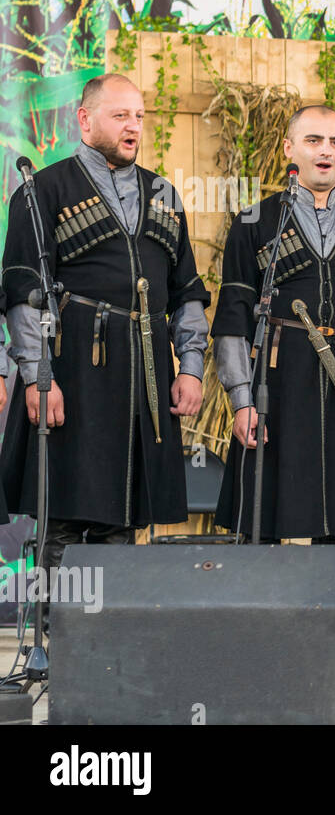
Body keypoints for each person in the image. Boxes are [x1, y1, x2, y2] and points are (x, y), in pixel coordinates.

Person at [1, 73, 209, 567]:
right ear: (85, 120)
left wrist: (192, 367)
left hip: (144, 375)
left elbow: (186, 292)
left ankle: (108, 617)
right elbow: (23, 295)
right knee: (66, 512)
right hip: (72, 369)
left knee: (124, 514)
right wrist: (38, 378)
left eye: (138, 116)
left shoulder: (164, 194)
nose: (133, 126)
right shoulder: (42, 190)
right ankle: (57, 616)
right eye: (120, 116)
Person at [212, 104, 335, 543]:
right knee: (263, 522)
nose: (325, 151)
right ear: (289, 148)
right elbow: (232, 321)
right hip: (276, 384)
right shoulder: (253, 222)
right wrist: (242, 401)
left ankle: (334, 593)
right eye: (313, 140)